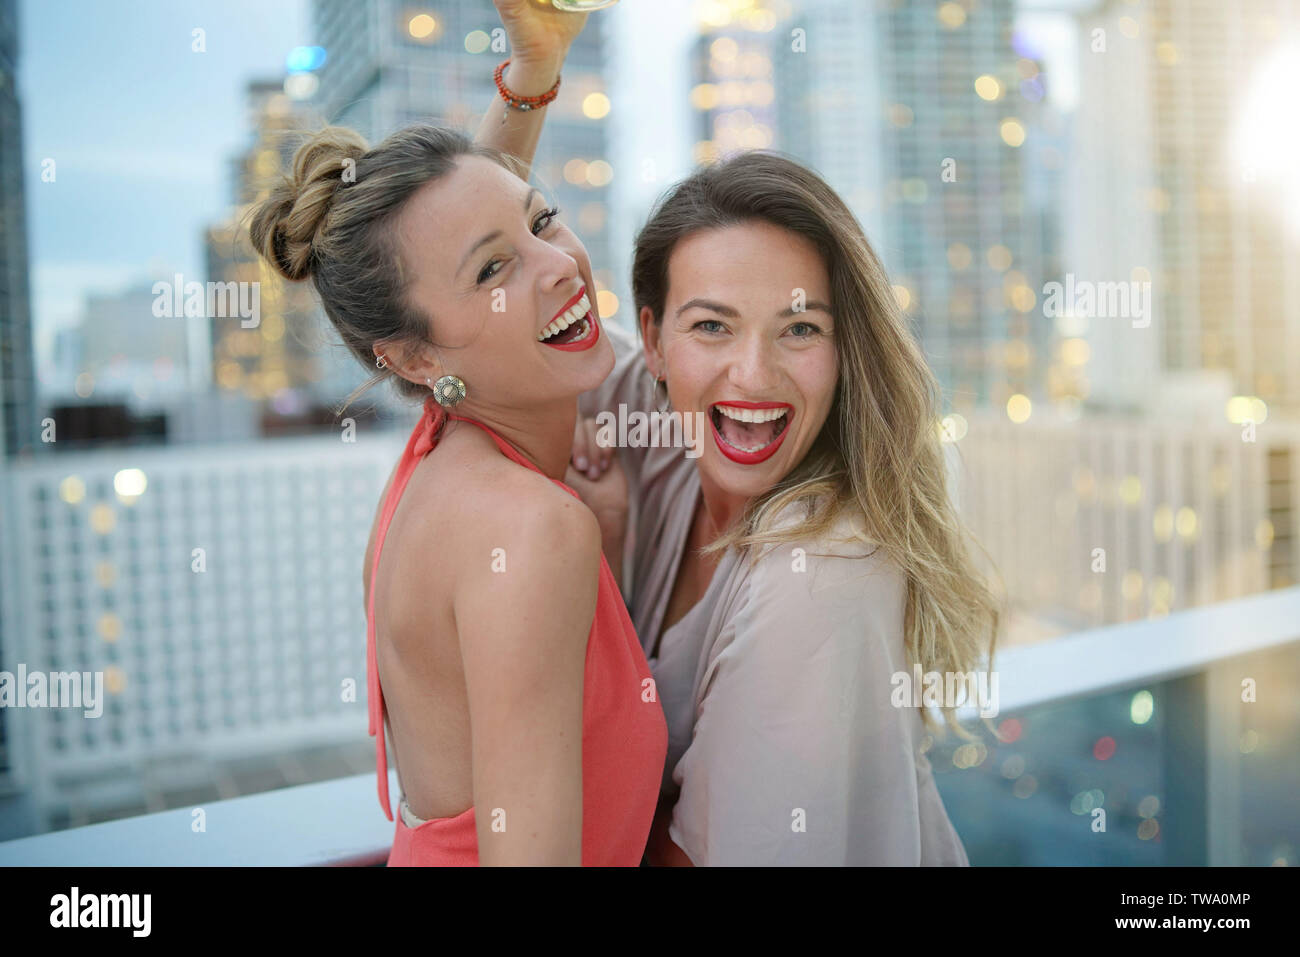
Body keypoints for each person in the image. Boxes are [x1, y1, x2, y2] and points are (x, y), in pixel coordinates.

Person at [246, 1, 666, 865]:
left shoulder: (441, 452)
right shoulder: (528, 527)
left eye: (545, 220)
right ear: (408, 355)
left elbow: (464, 222)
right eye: (494, 267)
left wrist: (533, 75)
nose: (559, 265)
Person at [561, 114, 1001, 866]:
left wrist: (585, 576)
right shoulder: (671, 436)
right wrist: (532, 85)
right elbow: (484, 325)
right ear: (655, 339)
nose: (753, 375)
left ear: (844, 348)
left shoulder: (823, 570)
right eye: (711, 326)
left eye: (799, 329)